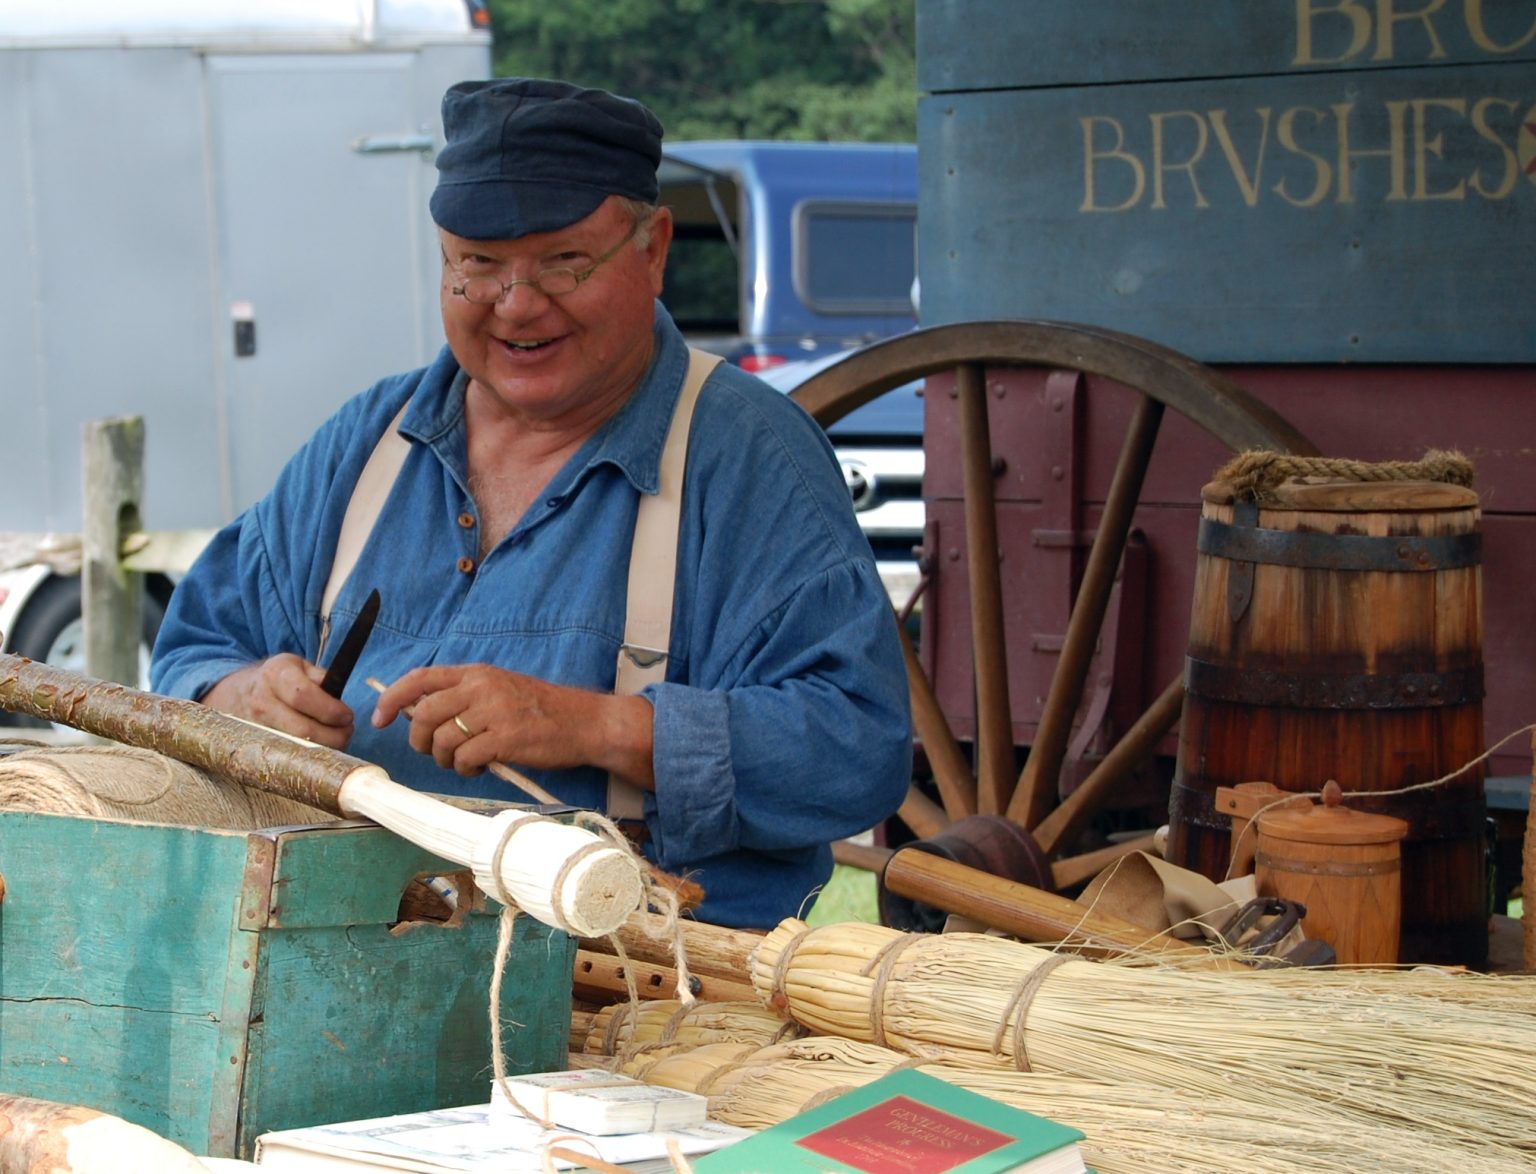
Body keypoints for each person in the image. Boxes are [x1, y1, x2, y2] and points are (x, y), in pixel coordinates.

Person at [150, 77, 912, 929]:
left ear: (653, 248)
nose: (517, 305)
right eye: (478, 264)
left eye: (563, 261)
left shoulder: (749, 461)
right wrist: (242, 696)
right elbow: (194, 648)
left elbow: (858, 748)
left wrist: (600, 728)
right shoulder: (365, 445)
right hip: (342, 977)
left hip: (640, 1002)